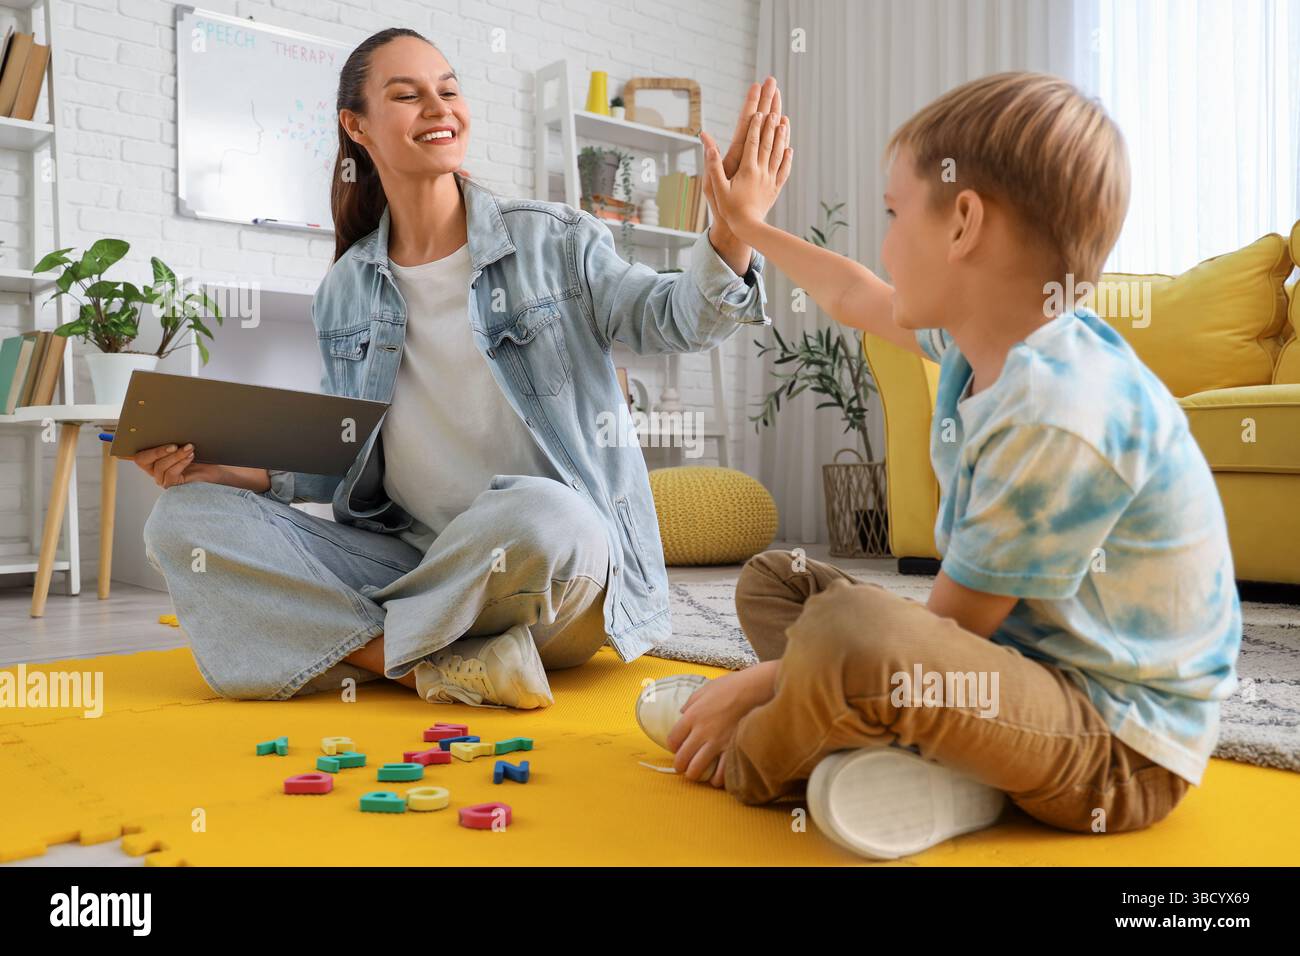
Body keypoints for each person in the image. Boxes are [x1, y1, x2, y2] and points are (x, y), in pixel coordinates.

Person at [133, 28, 780, 707]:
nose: (440, 109)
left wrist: (731, 230)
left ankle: (348, 639)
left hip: (547, 577)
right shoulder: (346, 289)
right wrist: (227, 471)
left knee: (545, 514)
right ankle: (426, 664)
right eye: (408, 96)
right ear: (357, 127)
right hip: (417, 560)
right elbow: (342, 458)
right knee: (185, 518)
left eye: (448, 90)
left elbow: (673, 318)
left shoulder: (553, 240)